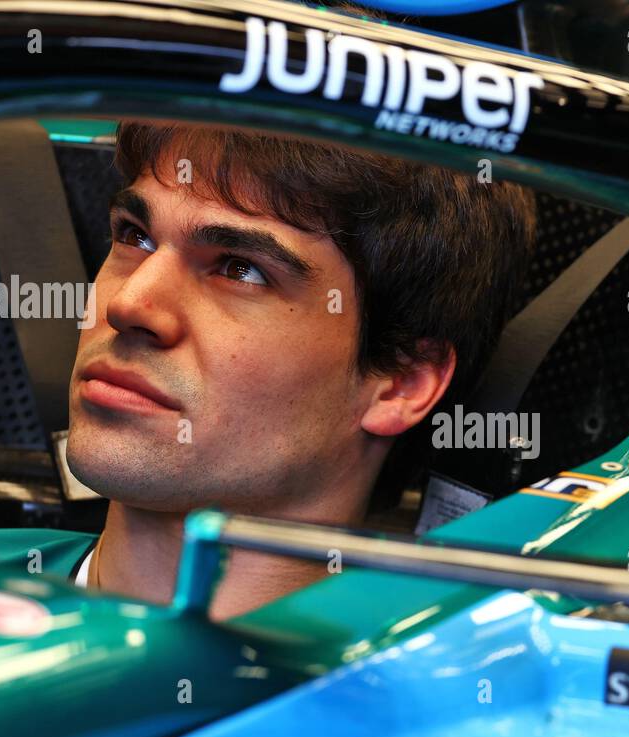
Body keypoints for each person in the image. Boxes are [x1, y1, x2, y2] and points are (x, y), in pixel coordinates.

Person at [65, 122, 536, 619]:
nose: (128, 303)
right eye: (135, 236)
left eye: (239, 269)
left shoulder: (464, 690)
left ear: (401, 384)